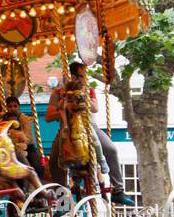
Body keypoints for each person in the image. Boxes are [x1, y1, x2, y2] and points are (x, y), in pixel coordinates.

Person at [46, 59, 133, 205]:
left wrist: (81, 97)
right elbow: (48, 116)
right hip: (67, 128)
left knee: (111, 149)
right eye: (82, 76)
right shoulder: (58, 93)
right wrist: (63, 107)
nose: (85, 79)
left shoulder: (88, 90)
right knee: (54, 160)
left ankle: (118, 189)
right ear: (73, 77)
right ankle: (63, 201)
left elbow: (95, 108)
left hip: (90, 126)